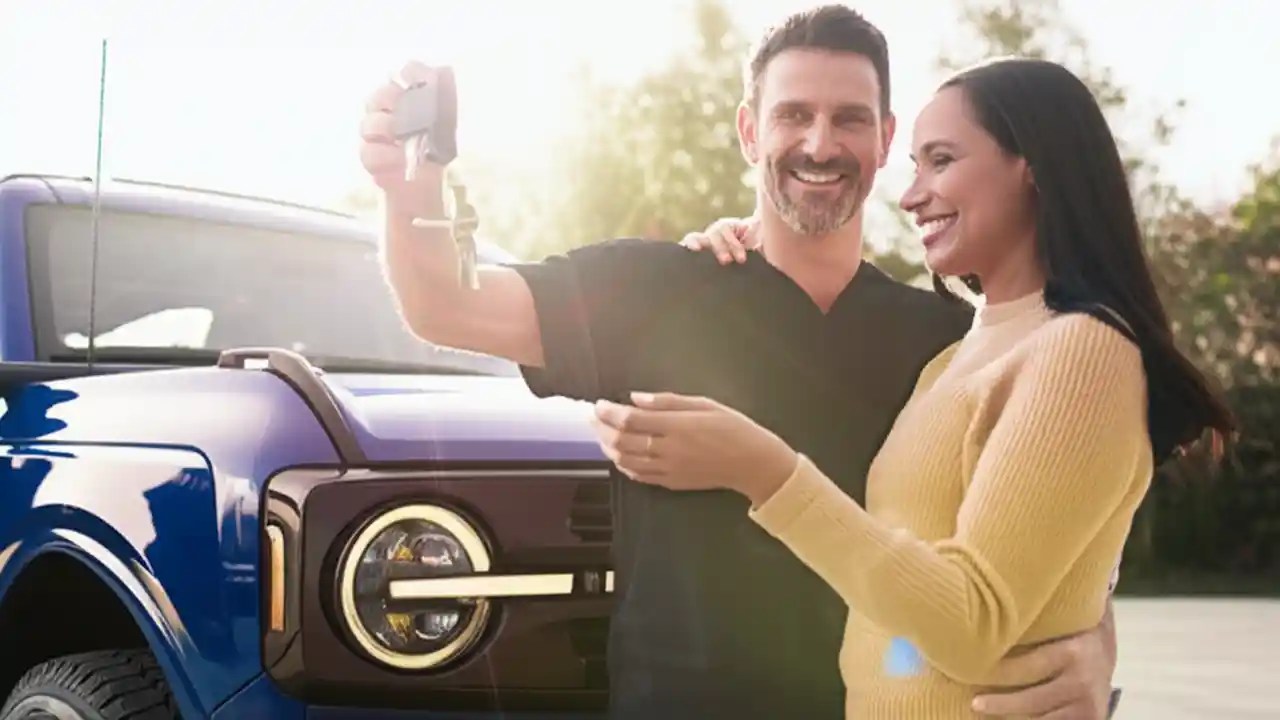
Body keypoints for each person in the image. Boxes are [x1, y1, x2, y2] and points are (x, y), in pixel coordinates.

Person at [358, 5, 1122, 718]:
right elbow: (447, 307)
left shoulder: (948, 340)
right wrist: (407, 185)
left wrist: (1093, 645)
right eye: (794, 114)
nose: (821, 144)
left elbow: (1052, 526)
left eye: (849, 119)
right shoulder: (648, 287)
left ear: (886, 140)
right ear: (750, 131)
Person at [590, 55, 1237, 718]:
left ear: (1032, 165)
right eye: (915, 166)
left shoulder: (1081, 351)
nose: (910, 195)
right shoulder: (953, 355)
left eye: (942, 161)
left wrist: (764, 469)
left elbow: (972, 622)